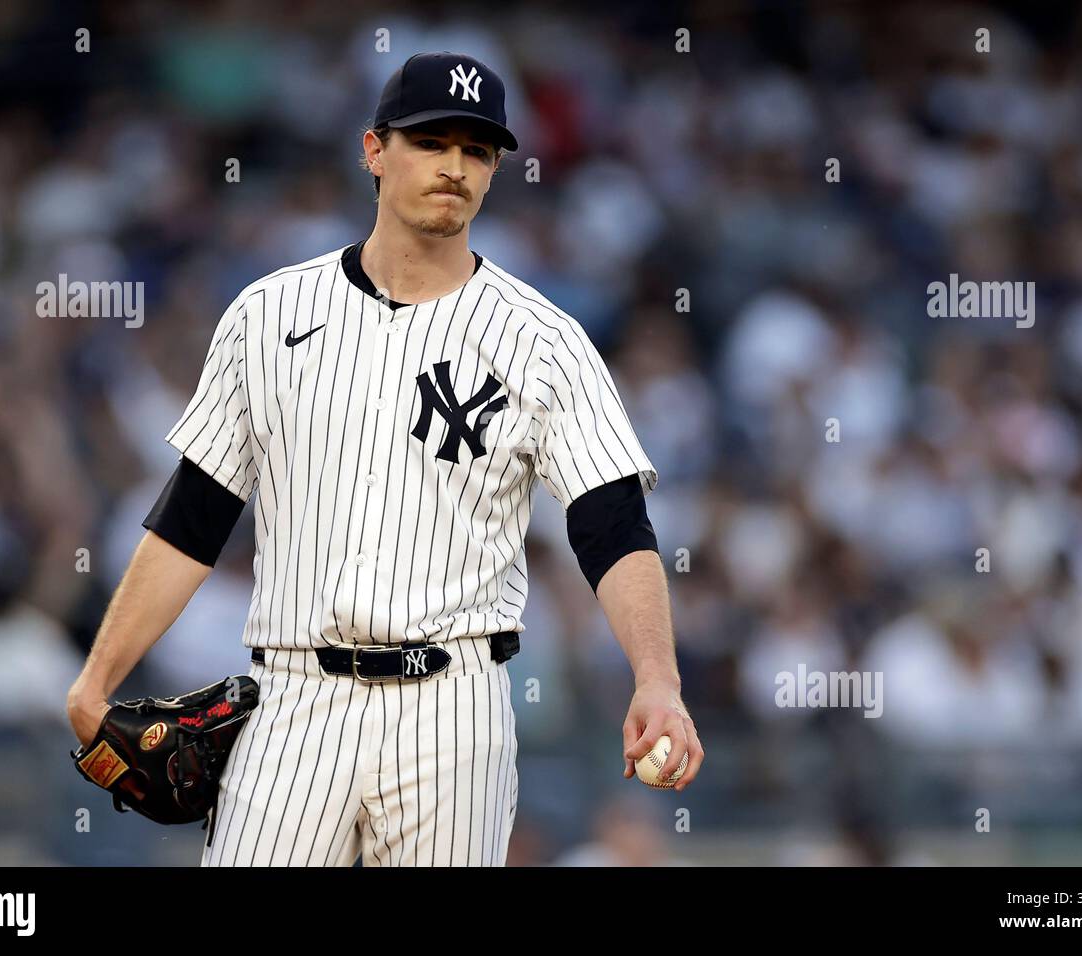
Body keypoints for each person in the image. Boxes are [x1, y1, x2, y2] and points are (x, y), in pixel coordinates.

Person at [66, 51, 703, 867]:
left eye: (476, 151)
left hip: (455, 705)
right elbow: (194, 515)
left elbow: (613, 526)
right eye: (431, 141)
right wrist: (97, 679)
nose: (454, 166)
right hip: (294, 694)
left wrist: (658, 677)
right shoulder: (269, 315)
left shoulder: (544, 342)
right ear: (373, 150)